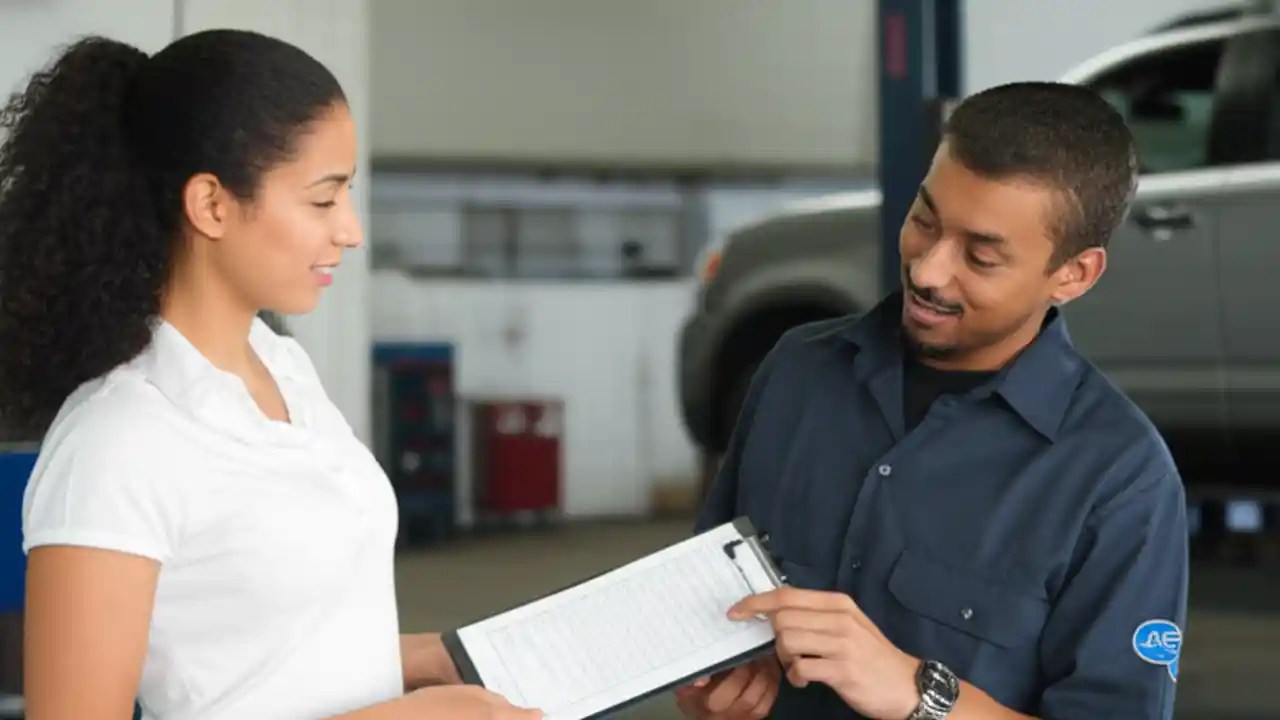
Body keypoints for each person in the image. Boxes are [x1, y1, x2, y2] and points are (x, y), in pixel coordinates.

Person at [0, 31, 540, 719]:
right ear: (212, 205)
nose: (351, 230)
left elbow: (262, 649)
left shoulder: (282, 367)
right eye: (323, 200)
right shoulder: (118, 441)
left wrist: (419, 658)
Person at [676, 82, 1188, 719]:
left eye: (980, 256)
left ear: (1073, 274)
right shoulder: (797, 372)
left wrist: (922, 695)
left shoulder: (1118, 479)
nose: (928, 270)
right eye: (924, 220)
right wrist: (715, 677)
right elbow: (703, 606)